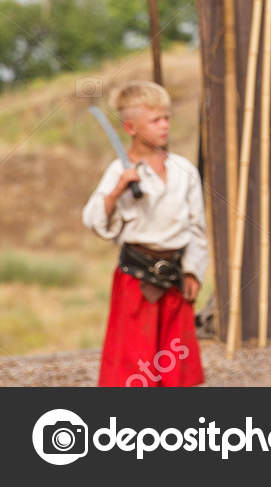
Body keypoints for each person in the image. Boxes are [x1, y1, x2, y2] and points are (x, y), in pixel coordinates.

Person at [83, 81, 207, 387]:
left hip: (175, 277)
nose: (164, 125)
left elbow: (197, 227)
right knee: (133, 365)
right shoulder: (119, 172)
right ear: (131, 127)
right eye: (155, 120)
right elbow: (94, 221)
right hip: (135, 281)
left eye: (167, 118)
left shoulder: (184, 170)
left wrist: (193, 271)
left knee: (174, 365)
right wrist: (117, 191)